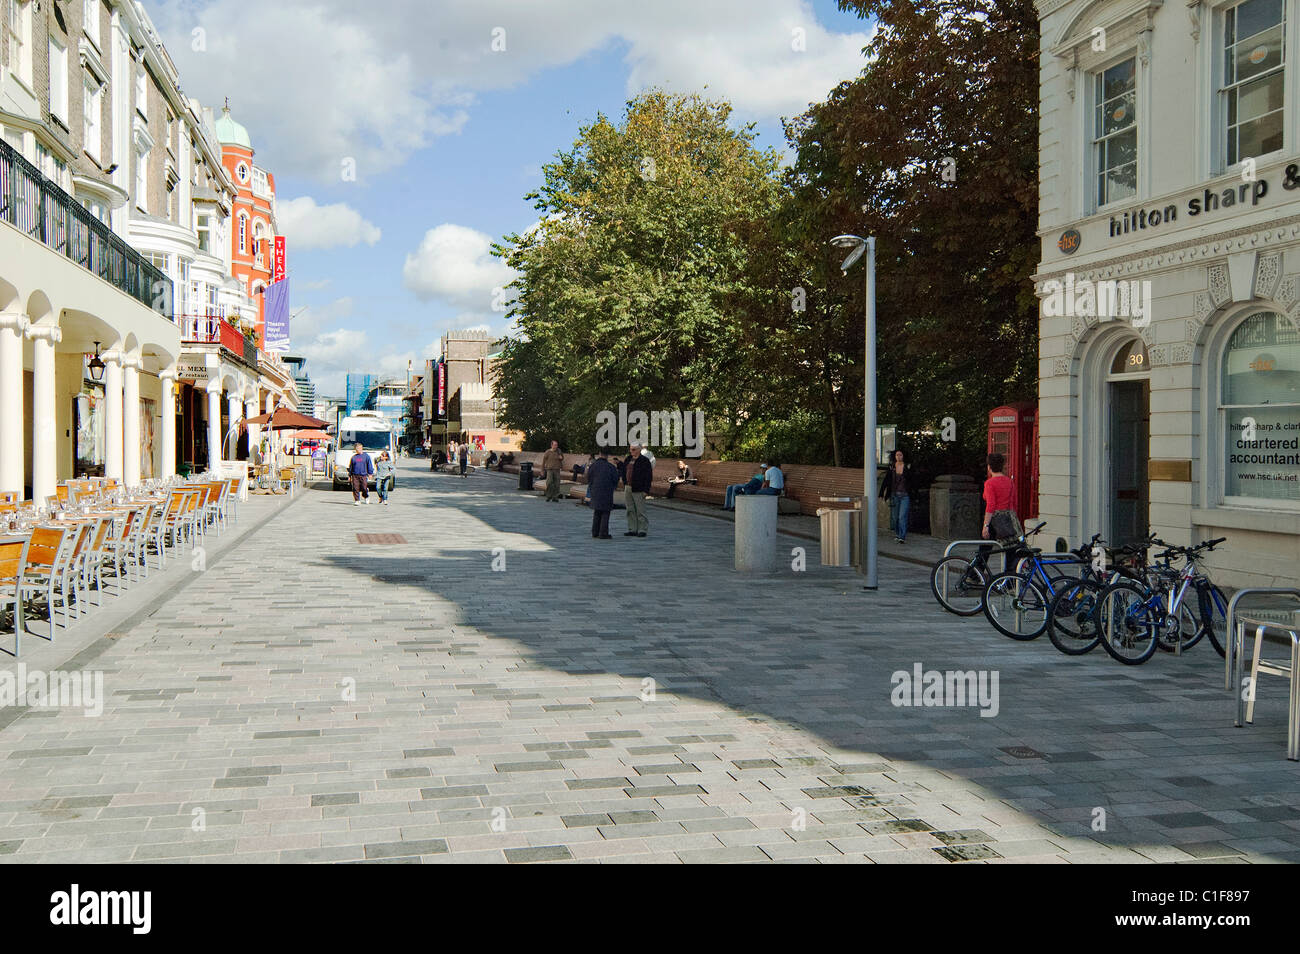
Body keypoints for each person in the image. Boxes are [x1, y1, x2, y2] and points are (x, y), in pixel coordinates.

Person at [982, 452, 1020, 542]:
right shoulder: (1010, 481)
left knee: (985, 549)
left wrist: (985, 525)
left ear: (989, 467)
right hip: (1010, 517)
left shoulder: (989, 483)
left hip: (995, 519)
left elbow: (991, 505)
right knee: (1010, 549)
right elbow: (1014, 502)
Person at [584, 447, 618, 539]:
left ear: (599, 453)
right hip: (607, 491)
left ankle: (595, 532)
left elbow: (588, 477)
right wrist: (613, 488)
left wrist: (592, 487)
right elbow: (615, 479)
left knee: (597, 511)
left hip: (595, 490)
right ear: (608, 456)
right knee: (605, 512)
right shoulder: (611, 467)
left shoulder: (593, 466)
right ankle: (603, 533)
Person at [879, 449, 912, 544]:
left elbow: (912, 480)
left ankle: (902, 536)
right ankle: (898, 534)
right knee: (895, 517)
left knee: (902, 516)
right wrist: (882, 493)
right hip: (894, 495)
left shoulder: (907, 467)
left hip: (905, 495)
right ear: (894, 456)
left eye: (900, 455)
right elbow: (886, 480)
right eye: (897, 455)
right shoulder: (892, 467)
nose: (898, 457)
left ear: (903, 456)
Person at [622, 443, 653, 537]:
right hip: (628, 487)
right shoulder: (628, 459)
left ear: (639, 450)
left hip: (639, 489)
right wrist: (624, 482)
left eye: (634, 449)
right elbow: (623, 471)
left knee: (640, 510)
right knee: (630, 509)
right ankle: (632, 529)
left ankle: (642, 529)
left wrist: (646, 490)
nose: (631, 451)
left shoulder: (644, 461)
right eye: (631, 449)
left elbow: (648, 477)